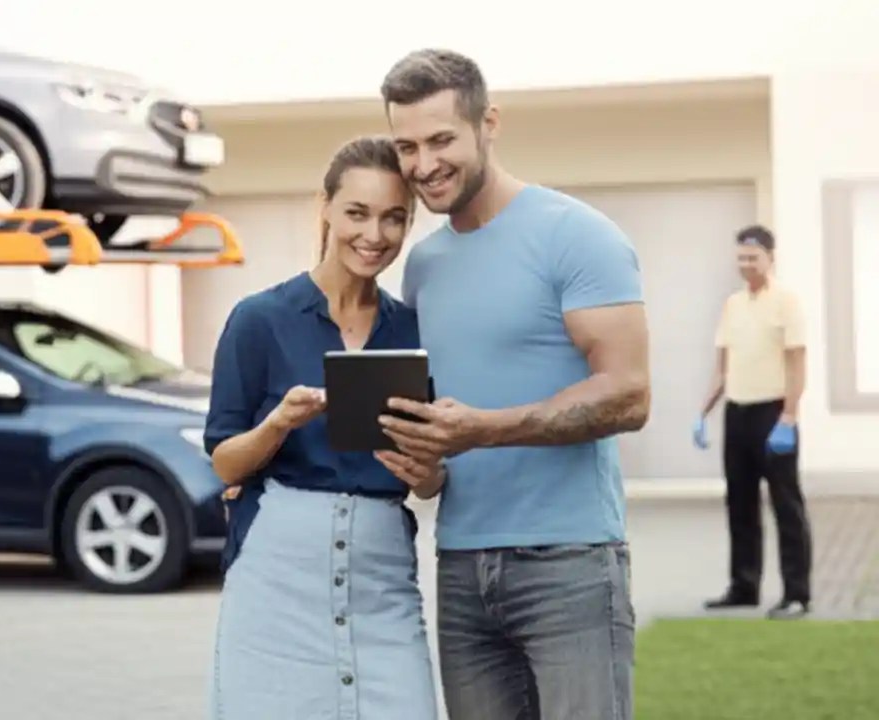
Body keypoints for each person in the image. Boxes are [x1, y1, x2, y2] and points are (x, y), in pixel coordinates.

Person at [374, 49, 650, 719]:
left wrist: (484, 430)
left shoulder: (576, 235)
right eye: (407, 147)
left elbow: (629, 393)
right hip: (460, 565)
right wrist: (425, 463)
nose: (423, 164)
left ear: (488, 124)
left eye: (441, 140)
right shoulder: (423, 265)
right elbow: (441, 422)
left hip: (569, 563)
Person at [204, 135, 443, 719]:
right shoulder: (259, 320)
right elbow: (225, 462)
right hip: (276, 586)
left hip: (383, 585)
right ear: (326, 208)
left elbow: (431, 478)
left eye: (393, 218)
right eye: (357, 213)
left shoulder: (415, 331)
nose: (374, 234)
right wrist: (278, 424)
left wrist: (427, 471)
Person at [694, 224, 812, 620]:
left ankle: (797, 594)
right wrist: (703, 411)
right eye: (741, 258)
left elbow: (797, 365)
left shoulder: (786, 302)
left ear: (769, 258)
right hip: (738, 413)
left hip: (773, 413)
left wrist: (789, 416)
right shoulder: (733, 304)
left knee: (786, 505)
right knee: (739, 502)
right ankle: (744, 586)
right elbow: (722, 368)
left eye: (753, 258)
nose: (746, 264)